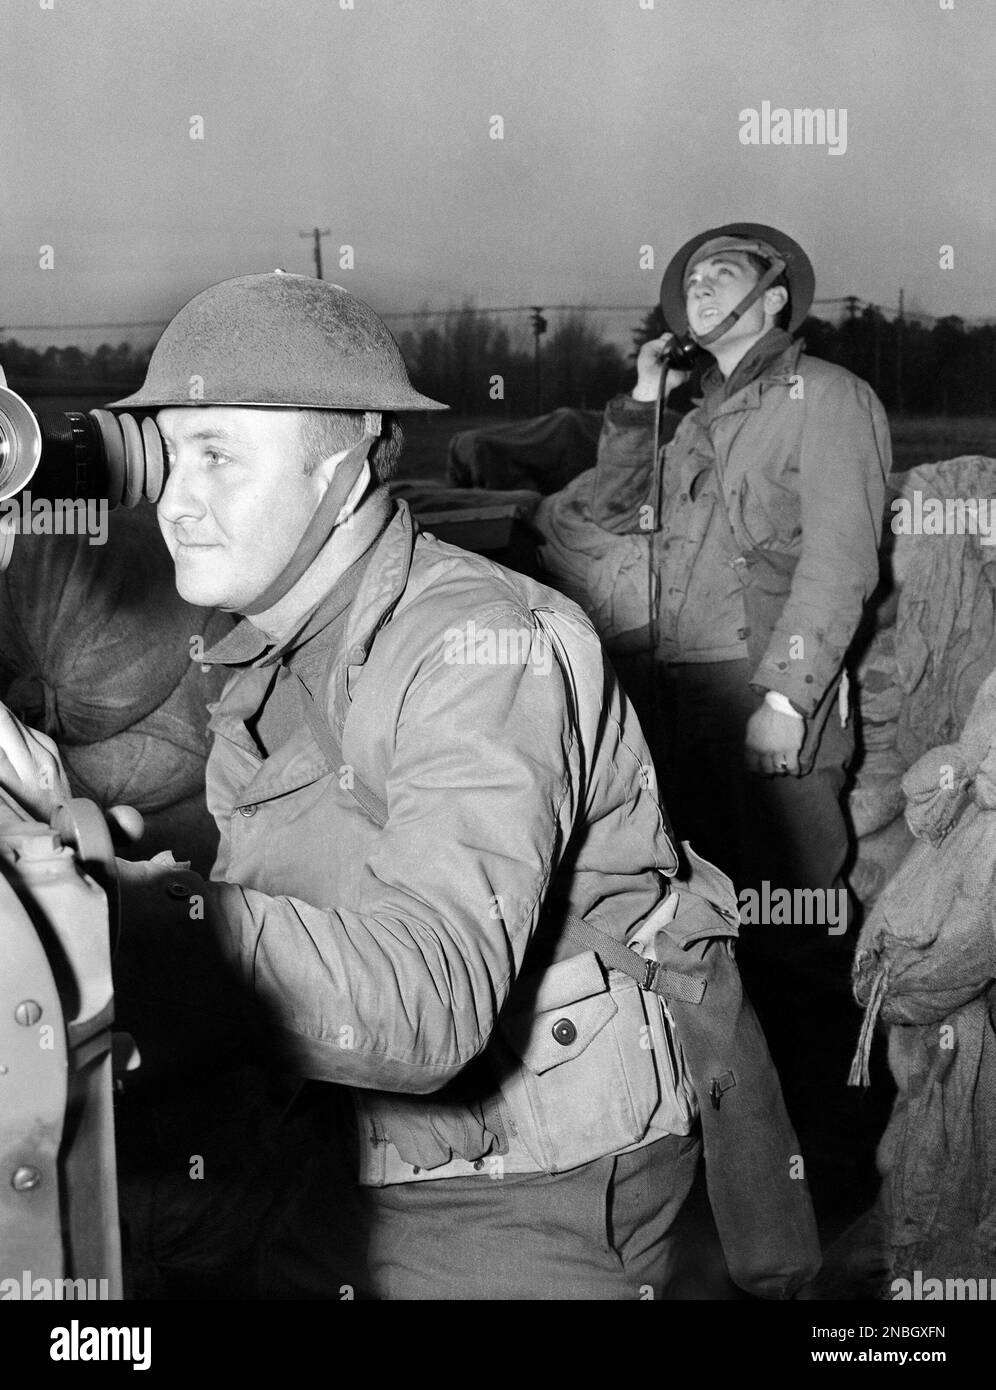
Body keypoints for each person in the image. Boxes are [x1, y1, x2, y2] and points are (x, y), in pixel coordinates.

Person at [0, 272, 816, 1300]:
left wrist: (127, 919)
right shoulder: (273, 642)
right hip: (350, 1130)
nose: (178, 497)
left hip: (523, 1178)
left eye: (220, 455)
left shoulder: (480, 646)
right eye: (169, 452)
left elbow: (428, 1000)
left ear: (343, 477)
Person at [589, 224, 892, 1182]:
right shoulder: (690, 416)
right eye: (692, 273)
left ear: (774, 299)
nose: (700, 281)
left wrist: (789, 699)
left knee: (798, 939)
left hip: (768, 702)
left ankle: (842, 1178)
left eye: (726, 269)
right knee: (710, 939)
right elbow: (606, 512)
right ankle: (756, 1174)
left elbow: (842, 558)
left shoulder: (830, 399)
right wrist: (639, 405)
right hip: (681, 705)